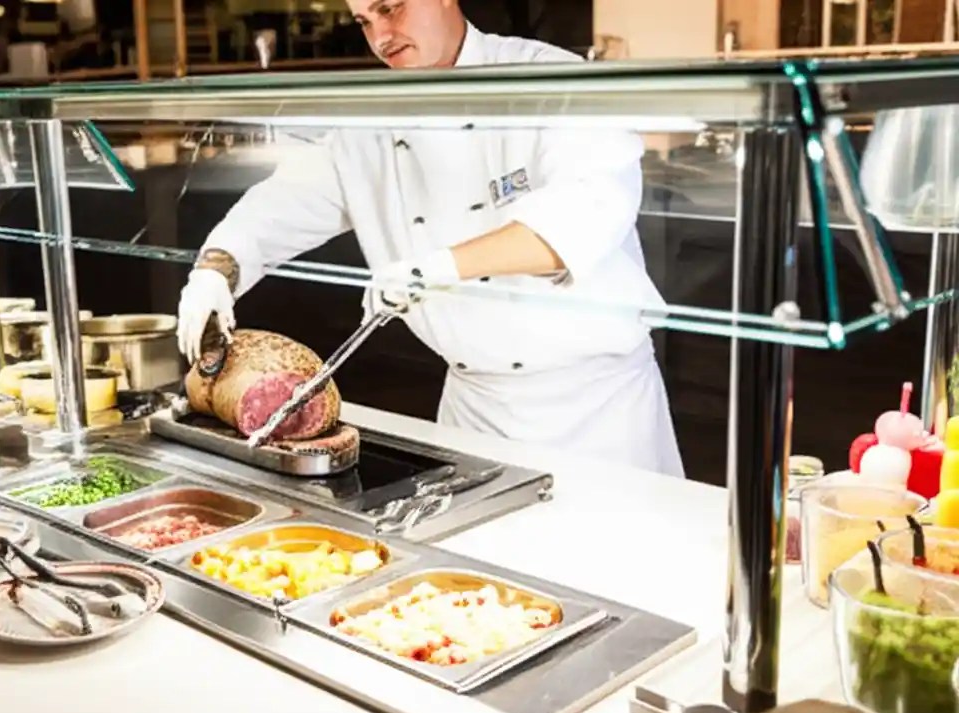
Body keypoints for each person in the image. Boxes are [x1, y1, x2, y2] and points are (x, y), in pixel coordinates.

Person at [175, 0, 684, 477]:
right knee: (477, 570)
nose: (380, 35)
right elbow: (281, 205)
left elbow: (576, 222)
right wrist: (215, 271)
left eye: (390, 7)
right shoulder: (372, 124)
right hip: (475, 410)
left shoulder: (549, 80)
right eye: (363, 20)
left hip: (599, 412)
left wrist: (436, 269)